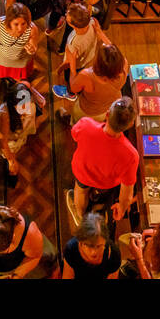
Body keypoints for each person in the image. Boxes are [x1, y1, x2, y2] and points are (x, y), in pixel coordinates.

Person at [66, 97, 138, 226]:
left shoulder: (85, 124)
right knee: (100, 198)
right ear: (130, 124)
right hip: (105, 183)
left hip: (82, 172)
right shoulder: (131, 155)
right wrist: (121, 207)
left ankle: (80, 215)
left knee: (80, 191)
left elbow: (74, 135)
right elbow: (127, 192)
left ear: (107, 114)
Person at [52, 1, 111, 101]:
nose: (66, 14)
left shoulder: (73, 43)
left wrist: (60, 69)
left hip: (77, 64)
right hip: (88, 57)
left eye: (67, 15)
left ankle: (70, 93)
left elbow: (70, 64)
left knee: (71, 79)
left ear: (71, 24)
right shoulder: (92, 22)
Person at [0, 77, 47, 180]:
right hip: (11, 139)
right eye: (21, 106)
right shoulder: (5, 115)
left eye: (27, 102)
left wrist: (37, 97)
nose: (25, 108)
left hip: (21, 133)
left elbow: (27, 85)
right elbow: (3, 142)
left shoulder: (24, 96)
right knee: (11, 149)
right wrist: (11, 160)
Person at [69, 41, 129, 123]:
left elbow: (73, 88)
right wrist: (99, 32)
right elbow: (113, 56)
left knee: (78, 124)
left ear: (98, 63)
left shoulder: (87, 76)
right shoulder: (124, 66)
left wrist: (72, 64)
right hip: (105, 110)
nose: (104, 43)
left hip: (87, 112)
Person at [0, 2, 45, 85]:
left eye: (23, 23)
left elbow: (34, 46)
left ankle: (17, 79)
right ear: (9, 21)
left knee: (19, 77)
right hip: (2, 56)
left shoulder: (32, 29)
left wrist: (31, 50)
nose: (20, 28)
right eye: (16, 24)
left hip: (21, 59)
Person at [62, 213, 122, 280]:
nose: (93, 252)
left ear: (105, 241)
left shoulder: (113, 254)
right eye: (89, 246)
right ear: (80, 242)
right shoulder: (71, 249)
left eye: (98, 246)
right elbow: (67, 276)